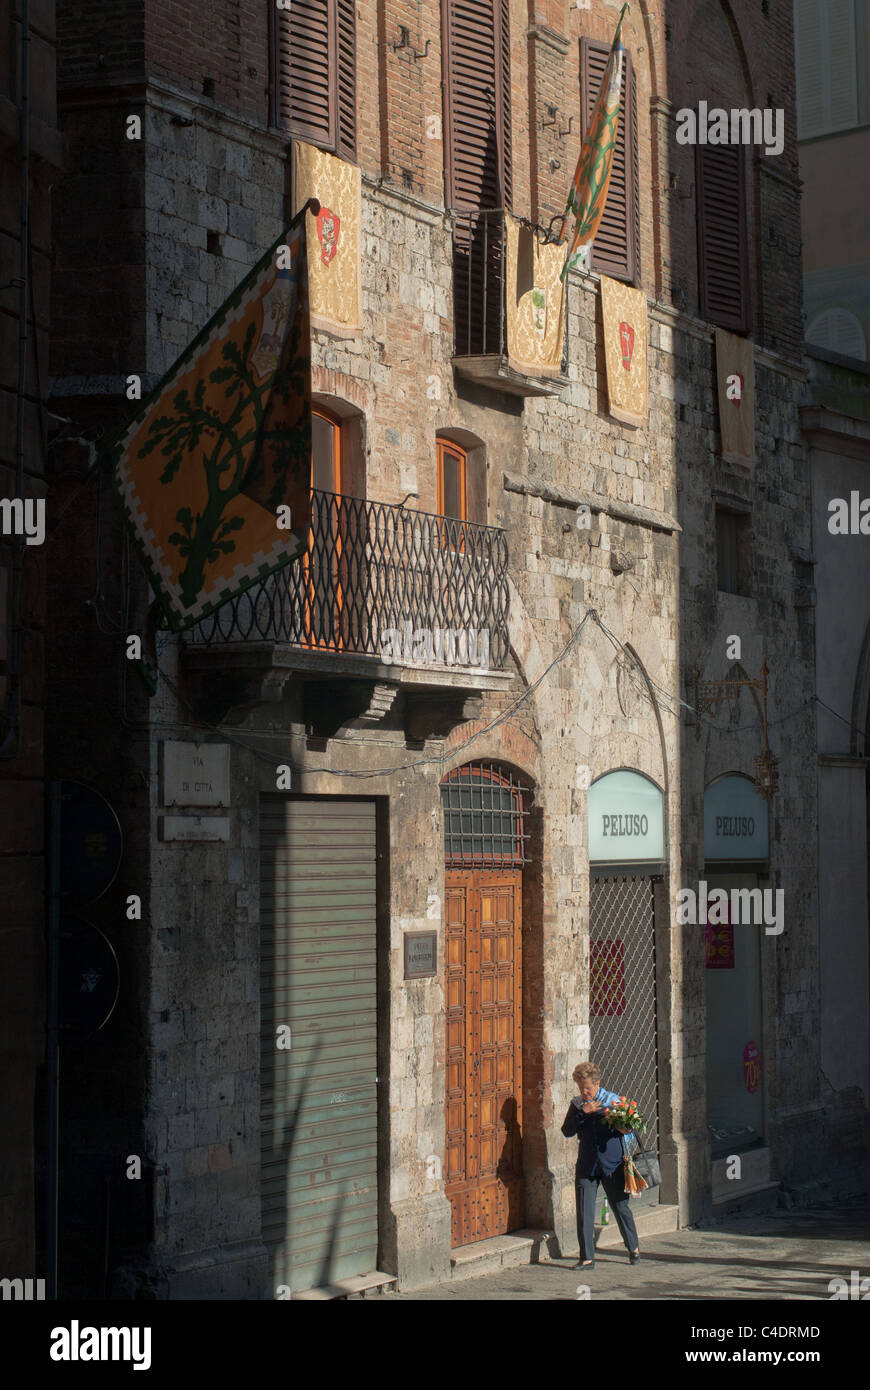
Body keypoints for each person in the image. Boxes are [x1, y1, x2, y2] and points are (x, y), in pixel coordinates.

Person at [561, 1060, 641, 1269]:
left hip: (612, 1165)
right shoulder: (578, 1105)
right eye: (581, 1087)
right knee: (584, 1211)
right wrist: (582, 1112)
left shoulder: (613, 1102)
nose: (584, 1091)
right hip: (587, 1165)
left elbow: (630, 1129)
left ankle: (633, 1247)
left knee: (620, 1206)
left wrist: (623, 1127)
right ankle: (587, 1258)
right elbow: (567, 1131)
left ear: (597, 1084)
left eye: (587, 1087)